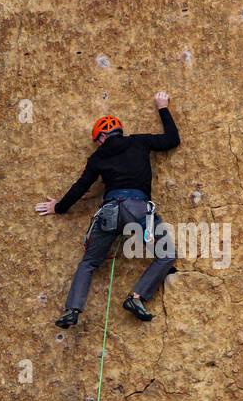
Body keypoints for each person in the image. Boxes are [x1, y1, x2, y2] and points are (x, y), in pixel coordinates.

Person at [36, 92, 181, 328]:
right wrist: (162, 107)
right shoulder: (139, 142)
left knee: (89, 262)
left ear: (102, 136)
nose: (98, 144)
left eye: (97, 140)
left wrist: (59, 207)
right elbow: (172, 140)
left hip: (109, 213)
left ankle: (72, 309)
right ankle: (136, 297)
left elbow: (81, 186)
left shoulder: (98, 157)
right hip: (138, 211)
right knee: (166, 254)